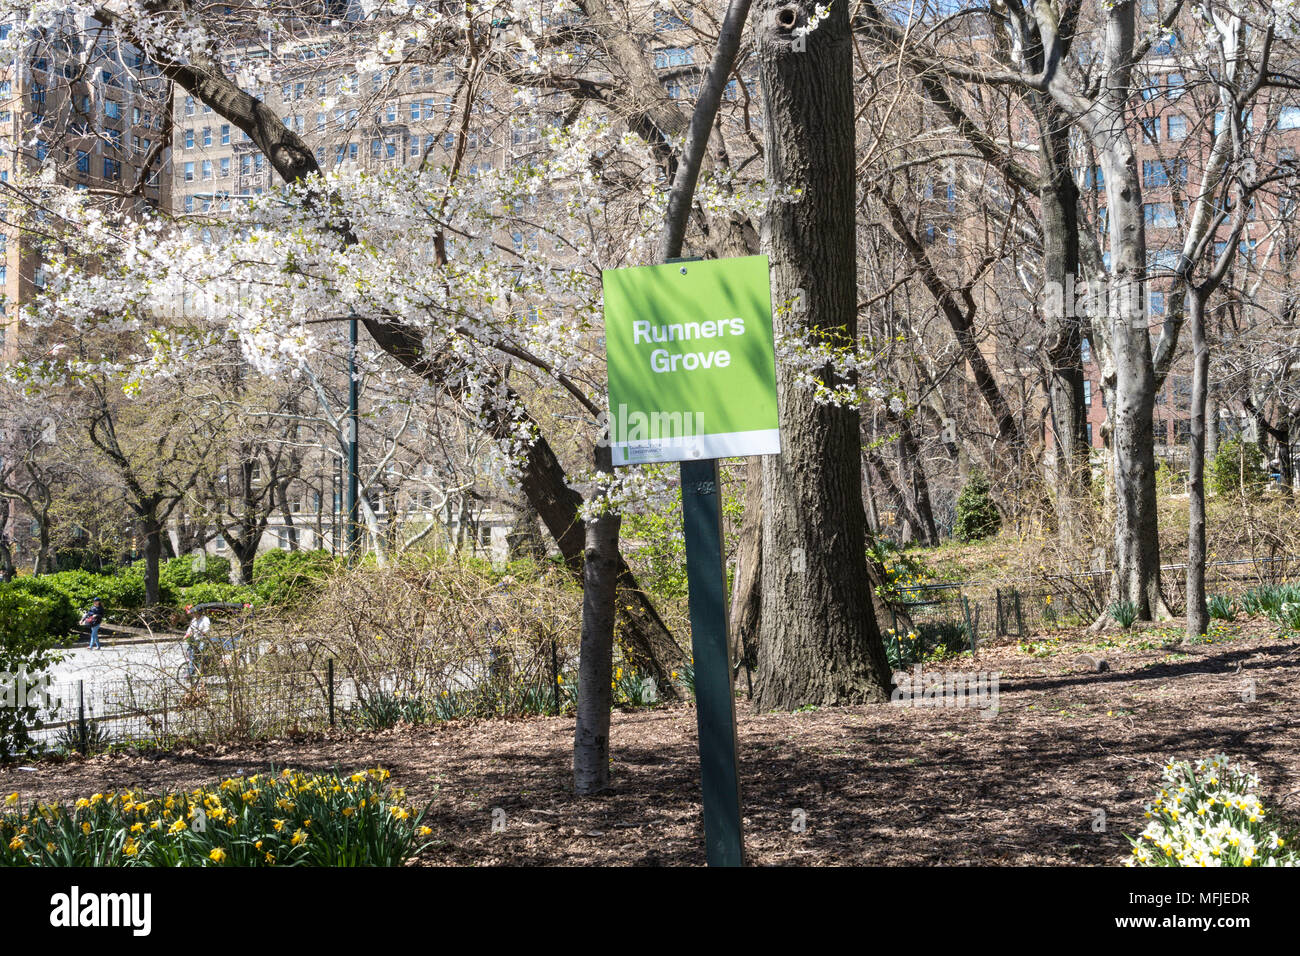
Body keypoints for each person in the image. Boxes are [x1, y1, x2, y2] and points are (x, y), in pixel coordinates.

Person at [183, 605, 212, 677]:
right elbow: (190, 629)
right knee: (191, 653)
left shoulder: (205, 619)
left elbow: (207, 628)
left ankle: (204, 666)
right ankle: (191, 671)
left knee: (201, 650)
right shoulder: (194, 620)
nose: (194, 615)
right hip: (195, 639)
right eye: (193, 613)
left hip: (203, 639)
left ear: (199, 613)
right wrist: (187, 635)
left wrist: (203, 632)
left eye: (195, 613)